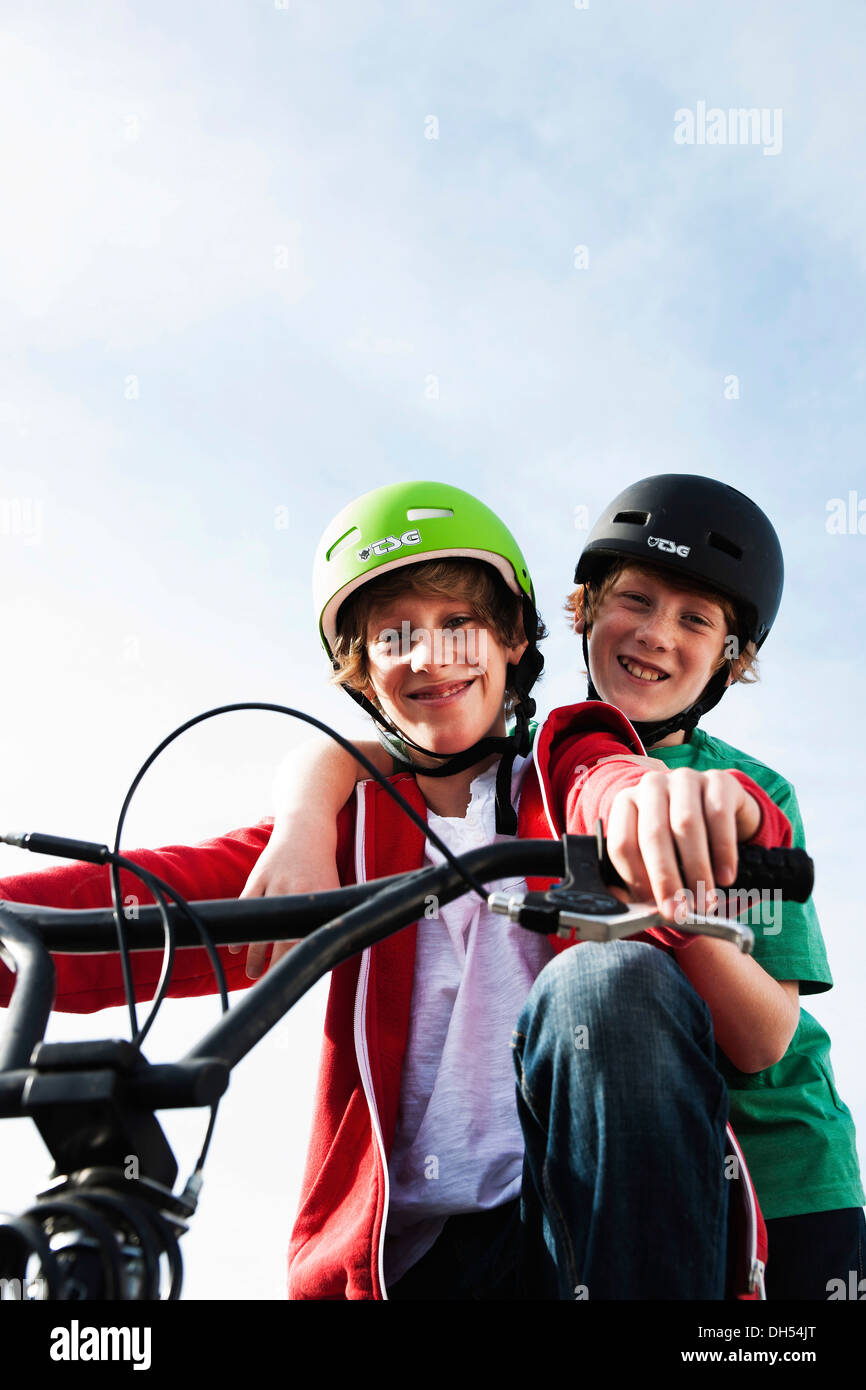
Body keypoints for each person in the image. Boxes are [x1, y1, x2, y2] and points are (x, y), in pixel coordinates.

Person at [215, 480, 791, 1297]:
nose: (433, 656)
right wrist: (304, 819)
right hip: (404, 1253)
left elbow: (609, 780)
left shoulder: (570, 768)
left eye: (459, 625)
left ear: (516, 638)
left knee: (607, 977)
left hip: (659, 1202)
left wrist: (672, 812)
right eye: (397, 635)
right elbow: (147, 891)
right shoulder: (351, 817)